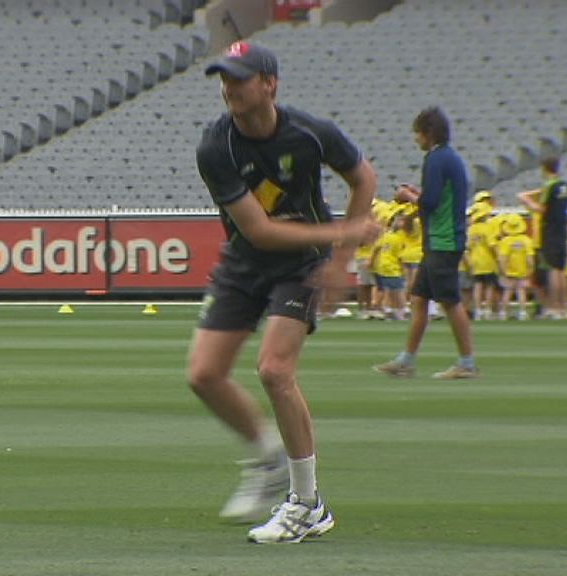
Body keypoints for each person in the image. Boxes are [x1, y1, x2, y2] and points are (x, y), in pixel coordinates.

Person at [192, 40, 379, 544]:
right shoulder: (216, 146)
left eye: (240, 78)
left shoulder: (311, 133)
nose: (229, 88)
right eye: (224, 78)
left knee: (275, 371)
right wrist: (341, 235)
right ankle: (270, 461)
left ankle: (306, 503)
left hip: (300, 267)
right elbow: (259, 232)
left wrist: (340, 263)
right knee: (204, 375)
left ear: (269, 84)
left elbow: (363, 178)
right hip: (246, 260)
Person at [373, 106, 478, 379]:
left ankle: (467, 363)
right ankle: (406, 360)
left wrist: (407, 196)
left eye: (418, 134)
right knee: (419, 298)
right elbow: (438, 197)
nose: (416, 139)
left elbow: (430, 203)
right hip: (442, 240)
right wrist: (417, 194)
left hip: (442, 241)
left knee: (450, 301)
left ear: (428, 133)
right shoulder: (449, 158)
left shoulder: (435, 159)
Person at [518, 157, 567, 319]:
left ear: (544, 169)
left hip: (550, 229)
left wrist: (527, 201)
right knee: (561, 270)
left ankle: (554, 307)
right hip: (562, 228)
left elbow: (541, 209)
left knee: (553, 270)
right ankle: (564, 307)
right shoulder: (565, 186)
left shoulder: (550, 186)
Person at [370, 209, 407, 321]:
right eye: (397, 220)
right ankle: (396, 312)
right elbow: (378, 248)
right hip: (389, 267)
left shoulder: (393, 235)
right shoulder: (393, 236)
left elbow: (377, 249)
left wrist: (372, 262)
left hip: (387, 267)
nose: (399, 222)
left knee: (391, 291)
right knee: (395, 291)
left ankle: (392, 310)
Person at [496, 213, 535, 320]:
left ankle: (503, 313)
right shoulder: (526, 240)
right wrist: (531, 269)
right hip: (522, 270)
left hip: (509, 270)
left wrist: (503, 270)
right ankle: (522, 312)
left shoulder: (505, 241)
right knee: (521, 291)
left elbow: (502, 258)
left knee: (507, 291)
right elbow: (529, 258)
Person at [465, 202, 499, 320]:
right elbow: (492, 245)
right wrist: (498, 257)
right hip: (488, 261)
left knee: (477, 286)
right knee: (489, 286)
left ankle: (478, 309)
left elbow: (468, 247)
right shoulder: (488, 228)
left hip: (475, 261)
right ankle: (487, 310)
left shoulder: (471, 229)